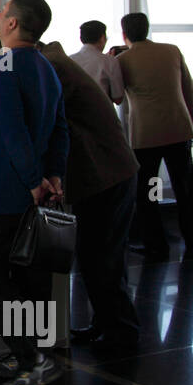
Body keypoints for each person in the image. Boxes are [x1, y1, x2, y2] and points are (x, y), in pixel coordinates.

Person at [0, 0, 69, 385]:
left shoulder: (3, 66)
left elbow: (11, 129)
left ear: (11, 24)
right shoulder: (44, 66)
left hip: (2, 192)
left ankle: (32, 358)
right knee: (27, 278)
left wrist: (30, 179)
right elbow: (60, 127)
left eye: (4, 10)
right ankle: (29, 352)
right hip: (35, 192)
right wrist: (52, 176)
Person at [37, 40, 141, 350]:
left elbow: (39, 121)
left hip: (105, 176)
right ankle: (110, 325)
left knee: (100, 257)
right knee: (104, 257)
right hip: (110, 173)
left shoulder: (50, 69)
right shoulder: (54, 62)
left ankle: (121, 333)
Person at [117, 13, 193, 258]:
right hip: (178, 129)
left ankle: (156, 243)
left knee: (149, 190)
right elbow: (189, 87)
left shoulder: (123, 60)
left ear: (125, 34)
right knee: (184, 187)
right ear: (147, 29)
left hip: (147, 137)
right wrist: (191, 118)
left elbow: (117, 95)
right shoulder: (171, 51)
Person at [70, 20, 125, 105]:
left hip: (75, 114)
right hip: (102, 113)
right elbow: (118, 99)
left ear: (81, 38)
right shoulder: (110, 61)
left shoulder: (70, 60)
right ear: (102, 38)